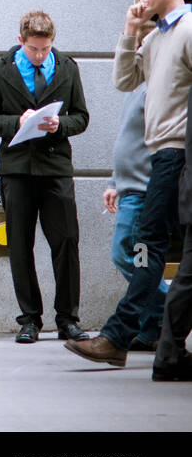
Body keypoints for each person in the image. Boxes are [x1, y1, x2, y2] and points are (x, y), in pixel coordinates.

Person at [68, 0, 192, 378]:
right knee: (148, 248)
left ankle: (120, 337)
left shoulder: (189, 28)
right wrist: (130, 31)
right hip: (162, 157)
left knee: (148, 247)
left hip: (179, 153)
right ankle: (129, 340)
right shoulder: (157, 38)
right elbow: (124, 81)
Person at [0, 10, 89, 343]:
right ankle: (30, 319)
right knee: (21, 245)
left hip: (55, 168)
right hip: (17, 169)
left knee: (66, 240)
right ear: (20, 40)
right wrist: (17, 122)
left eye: (45, 49)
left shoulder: (67, 67)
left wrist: (60, 125)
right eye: (34, 49)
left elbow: (81, 118)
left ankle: (68, 318)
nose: (40, 55)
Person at [103, 82, 167, 351]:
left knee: (129, 252)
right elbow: (129, 140)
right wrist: (114, 181)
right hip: (130, 189)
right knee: (138, 257)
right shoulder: (137, 87)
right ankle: (155, 324)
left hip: (142, 193)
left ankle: (167, 305)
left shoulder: (160, 88)